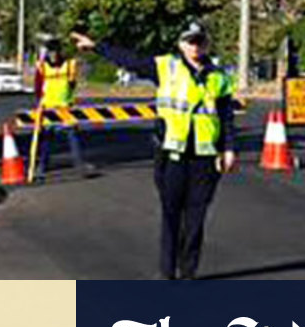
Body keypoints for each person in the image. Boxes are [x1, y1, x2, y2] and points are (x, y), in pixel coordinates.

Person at [72, 23, 237, 280]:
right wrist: (97, 47)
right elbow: (131, 60)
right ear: (181, 44)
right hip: (171, 154)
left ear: (207, 45)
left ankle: (189, 273)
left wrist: (228, 149)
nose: (195, 47)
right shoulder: (166, 67)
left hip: (204, 158)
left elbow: (226, 116)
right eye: (190, 41)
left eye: (199, 41)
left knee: (196, 219)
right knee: (171, 216)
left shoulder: (219, 78)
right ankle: (167, 272)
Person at [33, 39, 90, 178]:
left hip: (65, 107)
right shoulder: (42, 67)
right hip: (48, 107)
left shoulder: (69, 65)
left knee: (72, 137)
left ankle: (79, 165)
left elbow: (72, 84)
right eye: (50, 52)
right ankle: (42, 167)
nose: (53, 55)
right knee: (47, 139)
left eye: (55, 52)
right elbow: (38, 87)